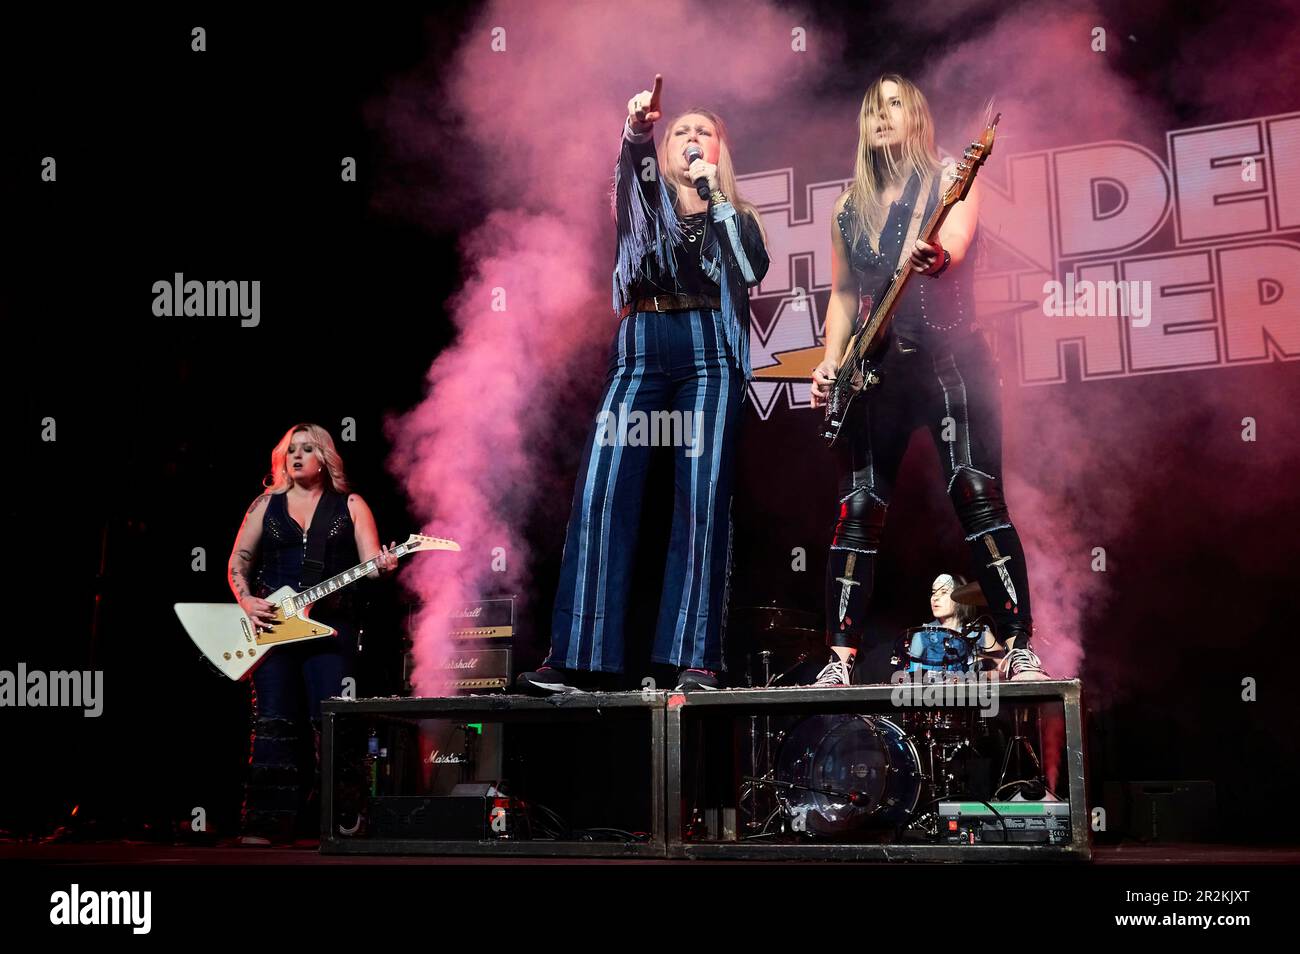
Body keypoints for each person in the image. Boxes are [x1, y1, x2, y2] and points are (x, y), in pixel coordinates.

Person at [518, 74, 769, 694]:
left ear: (719, 151)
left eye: (702, 132)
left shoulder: (735, 213)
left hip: (710, 349)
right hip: (641, 346)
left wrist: (719, 204)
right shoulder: (645, 200)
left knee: (702, 499)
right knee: (603, 490)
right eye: (680, 131)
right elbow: (630, 177)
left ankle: (695, 658)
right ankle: (576, 656)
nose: (689, 139)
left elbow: (752, 267)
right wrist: (636, 130)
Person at [809, 75, 1048, 687]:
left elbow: (956, 244)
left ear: (917, 116)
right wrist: (830, 359)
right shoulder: (847, 207)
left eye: (895, 105)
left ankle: (1016, 644)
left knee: (974, 491)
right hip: (876, 372)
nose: (882, 117)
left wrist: (934, 257)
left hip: (950, 361)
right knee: (858, 507)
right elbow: (842, 294)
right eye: (872, 109)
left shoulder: (951, 178)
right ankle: (839, 659)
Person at [227, 422, 398, 844]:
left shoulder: (351, 504)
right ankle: (267, 822)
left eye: (307, 449)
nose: (297, 456)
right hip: (274, 629)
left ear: (325, 457)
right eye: (290, 450)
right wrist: (248, 602)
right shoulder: (265, 505)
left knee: (336, 722)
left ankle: (345, 820)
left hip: (332, 628)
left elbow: (371, 562)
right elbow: (239, 561)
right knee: (274, 721)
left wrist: (383, 566)